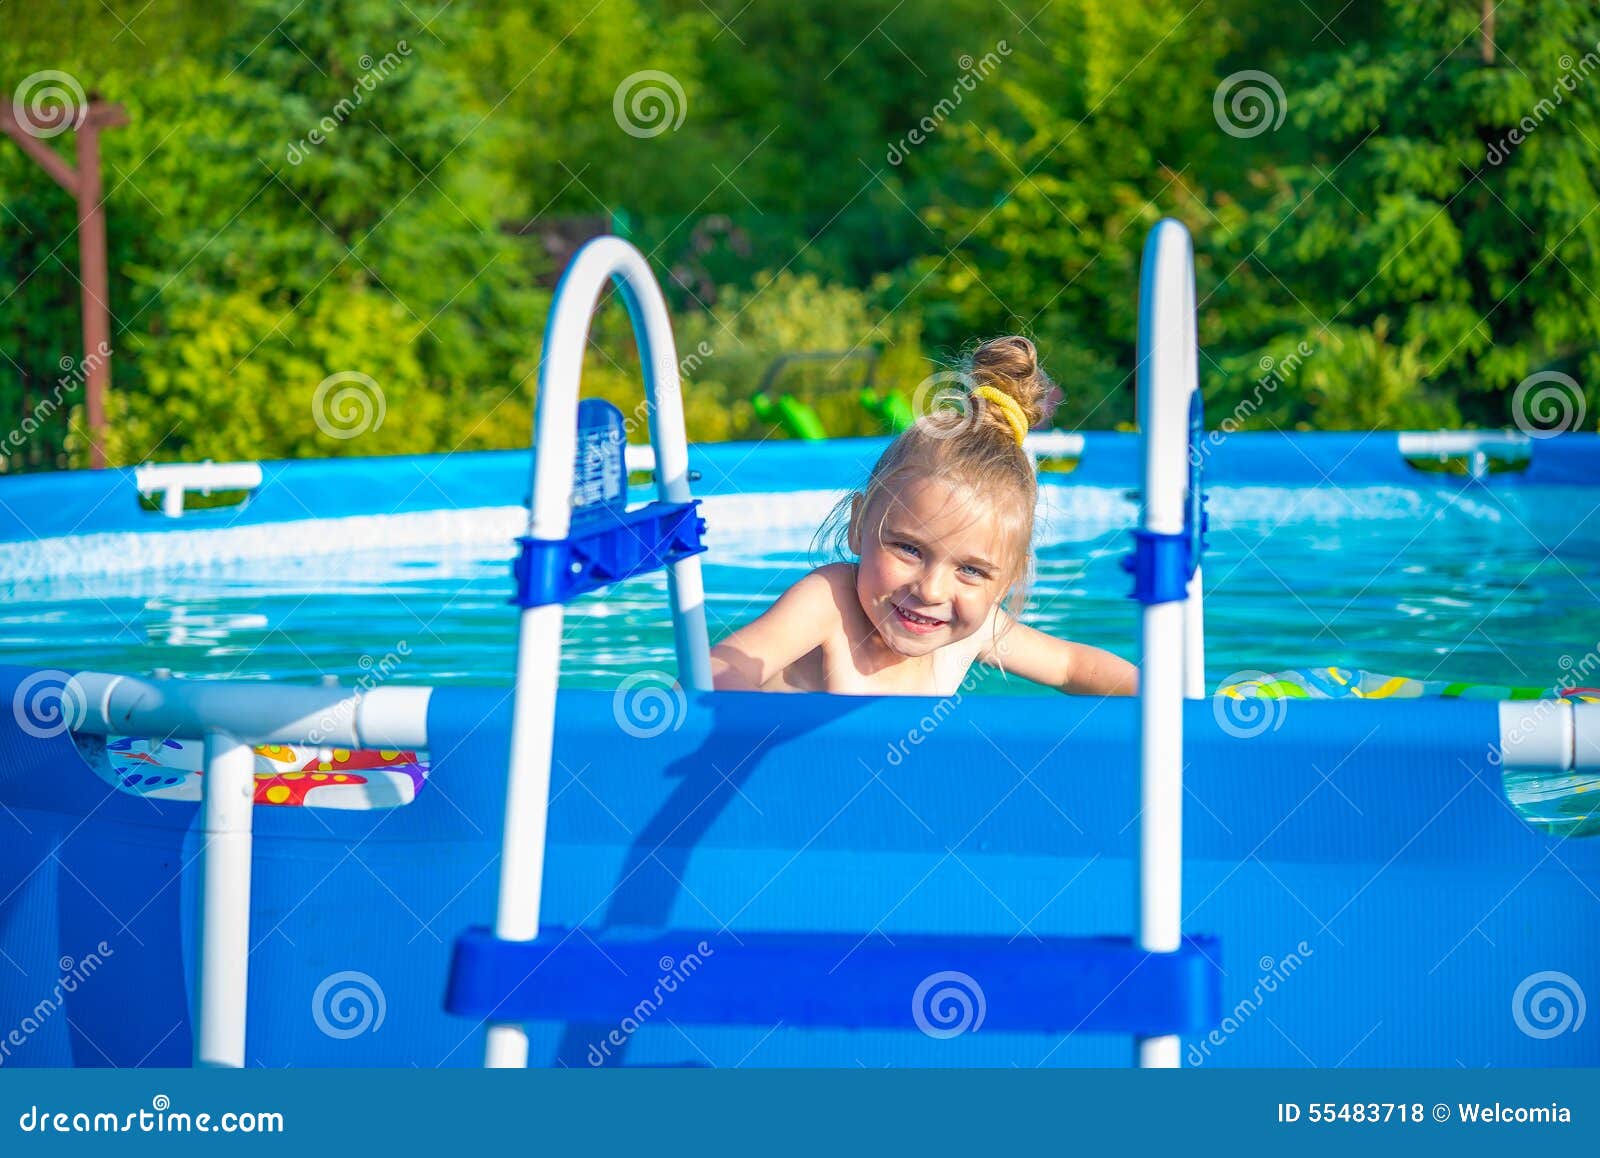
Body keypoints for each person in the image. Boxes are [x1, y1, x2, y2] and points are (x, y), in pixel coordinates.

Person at [710, 335, 1138, 697]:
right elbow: (717, 675)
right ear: (859, 526)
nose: (931, 590)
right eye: (908, 549)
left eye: (971, 570)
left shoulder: (976, 628)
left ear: (1008, 580)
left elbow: (1070, 665)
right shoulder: (830, 603)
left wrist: (1162, 700)